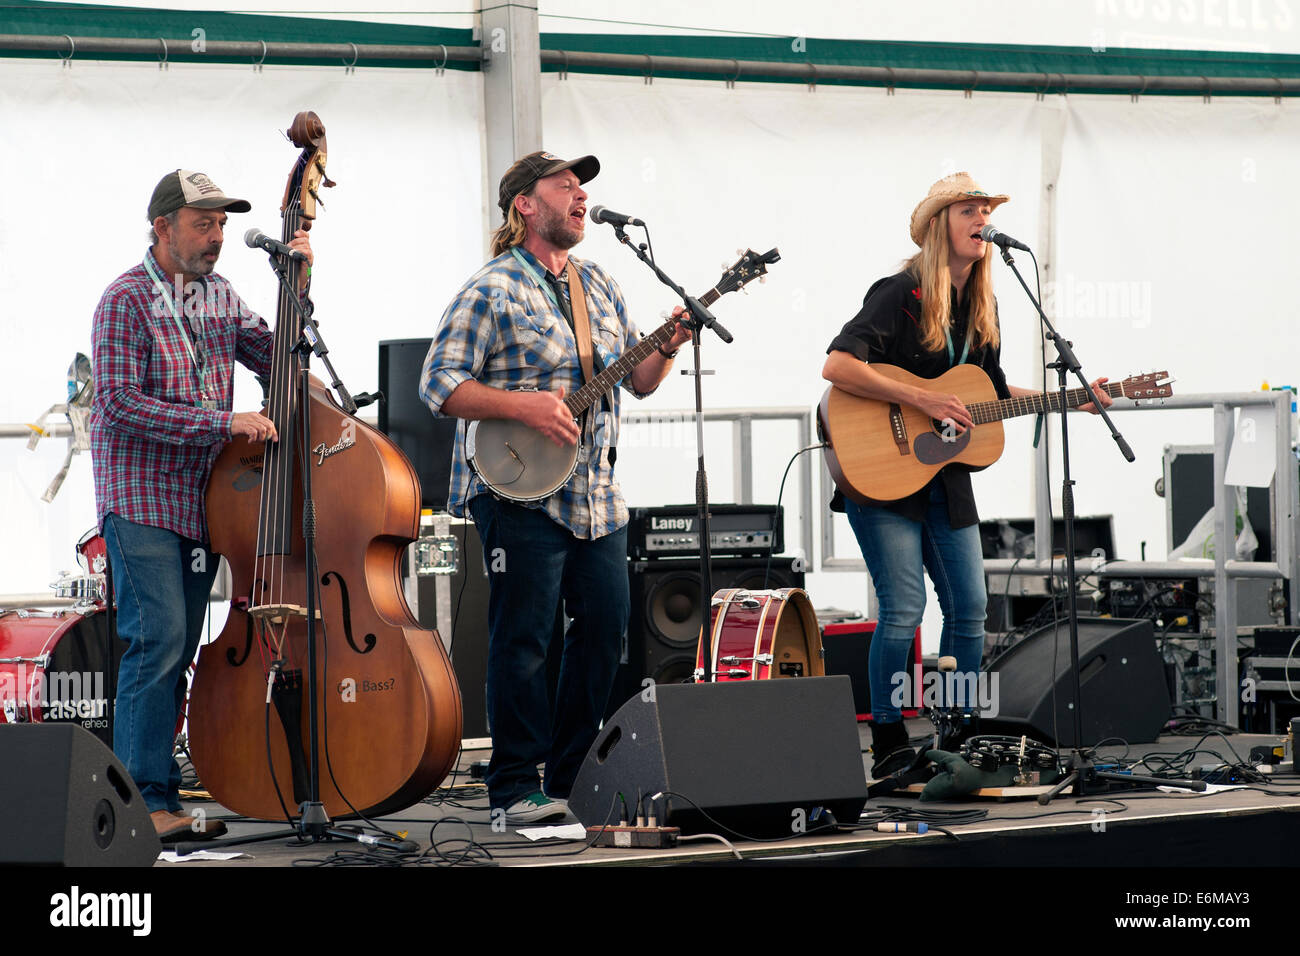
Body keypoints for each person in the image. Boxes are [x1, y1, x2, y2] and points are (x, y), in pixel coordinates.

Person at [420, 151, 691, 825]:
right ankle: (513, 788)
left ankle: (570, 777)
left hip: (595, 493)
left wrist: (672, 341)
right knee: (526, 636)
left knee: (605, 630)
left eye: (583, 188)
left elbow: (641, 378)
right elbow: (439, 383)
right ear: (525, 206)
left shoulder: (598, 283)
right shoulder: (491, 289)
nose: (579, 196)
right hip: (517, 489)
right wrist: (523, 406)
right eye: (564, 186)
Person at [822, 171, 1111, 777]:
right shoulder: (899, 292)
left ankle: (959, 734)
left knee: (971, 607)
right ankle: (890, 736)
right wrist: (921, 399)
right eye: (969, 210)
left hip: (943, 479)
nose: (983, 220)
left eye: (987, 210)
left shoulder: (984, 304)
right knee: (903, 607)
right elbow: (839, 364)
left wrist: (1074, 399)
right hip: (881, 471)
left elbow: (992, 394)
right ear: (938, 227)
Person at [90, 170, 312, 841]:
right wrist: (222, 425)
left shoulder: (221, 295)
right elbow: (120, 404)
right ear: (162, 227)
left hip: (201, 504)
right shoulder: (125, 299)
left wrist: (298, 286)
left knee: (179, 646)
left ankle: (156, 794)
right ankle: (140, 804)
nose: (217, 236)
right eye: (202, 223)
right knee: (157, 643)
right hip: (141, 499)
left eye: (221, 224)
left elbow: (279, 358)